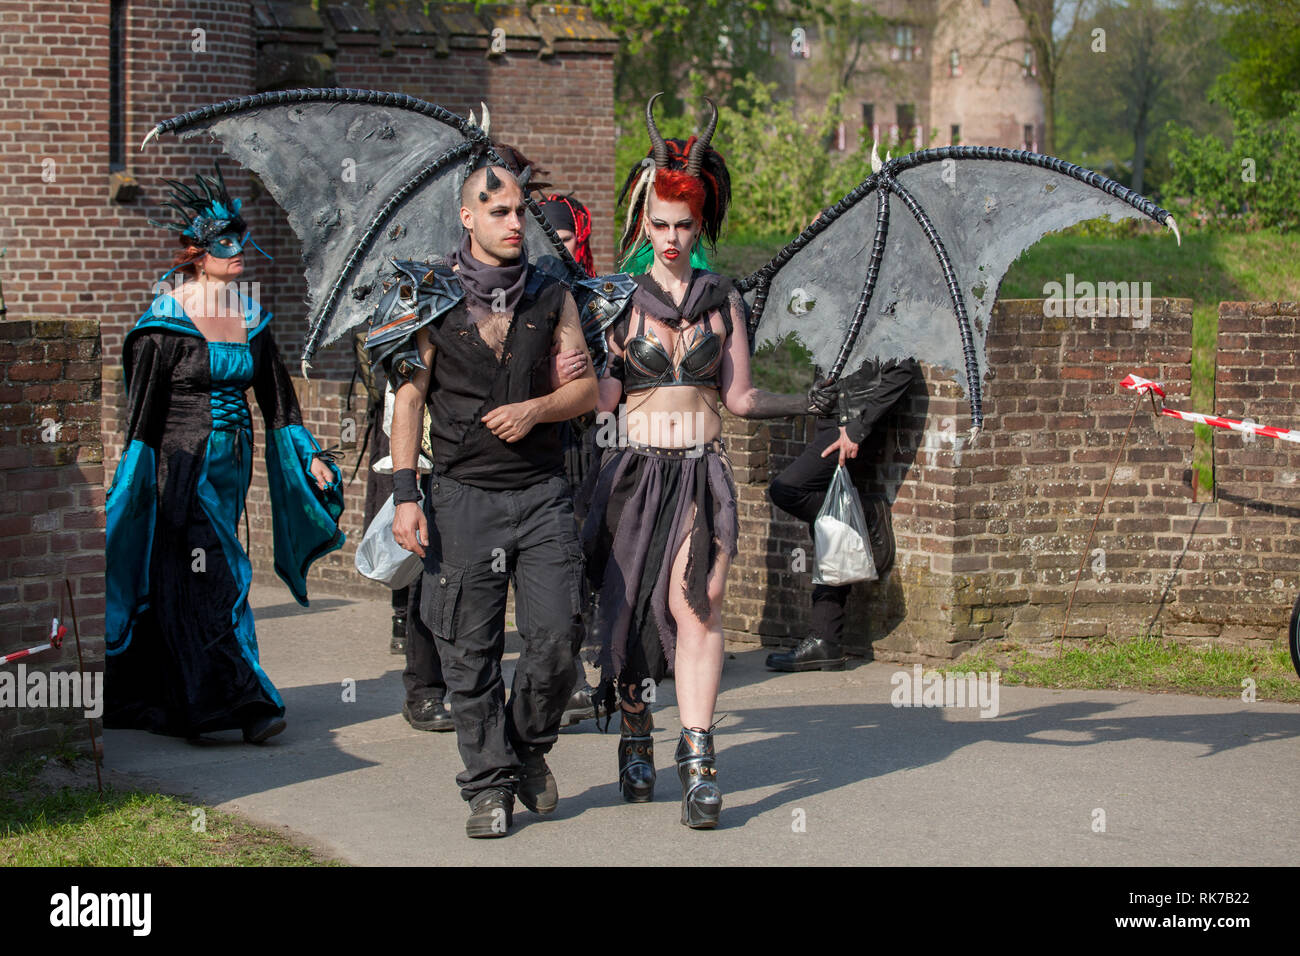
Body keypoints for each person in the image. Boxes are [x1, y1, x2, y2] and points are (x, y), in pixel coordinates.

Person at [578, 96, 835, 829]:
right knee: (627, 613)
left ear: (702, 223)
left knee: (701, 604)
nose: (668, 237)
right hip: (630, 472)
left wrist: (811, 402)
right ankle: (635, 726)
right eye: (657, 224)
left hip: (701, 472)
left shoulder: (726, 303)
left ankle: (697, 760)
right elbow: (598, 400)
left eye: (682, 225)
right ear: (642, 221)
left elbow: (743, 398)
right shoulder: (614, 303)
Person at [374, 160, 597, 838]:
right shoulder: (431, 298)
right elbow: (409, 401)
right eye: (495, 210)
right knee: (467, 652)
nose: (512, 221)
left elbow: (587, 392)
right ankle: (488, 786)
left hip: (540, 494)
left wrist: (536, 411)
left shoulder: (552, 295)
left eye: (519, 210)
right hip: (461, 497)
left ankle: (526, 750)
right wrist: (406, 494)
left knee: (558, 636)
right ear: (467, 218)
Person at [105, 163, 344, 743]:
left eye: (240, 238)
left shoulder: (252, 317)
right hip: (179, 471)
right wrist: (130, 489)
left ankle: (182, 698)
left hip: (231, 469)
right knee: (220, 573)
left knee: (194, 579)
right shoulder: (163, 325)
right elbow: (140, 419)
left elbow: (279, 402)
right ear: (196, 252)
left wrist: (309, 456)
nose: (239, 249)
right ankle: (245, 700)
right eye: (224, 243)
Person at [765, 357, 917, 671]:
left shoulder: (887, 308)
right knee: (830, 530)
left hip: (851, 424)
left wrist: (858, 428)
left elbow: (902, 369)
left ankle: (866, 514)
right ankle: (826, 640)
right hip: (831, 418)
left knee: (786, 489)